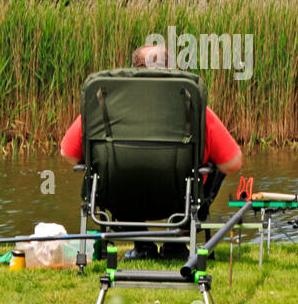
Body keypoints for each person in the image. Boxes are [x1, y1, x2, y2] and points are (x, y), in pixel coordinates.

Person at [59, 43, 243, 258]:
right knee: (215, 167)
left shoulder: (103, 106)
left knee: (102, 168)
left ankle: (142, 246)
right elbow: (233, 163)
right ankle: (177, 240)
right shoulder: (194, 108)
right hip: (179, 198)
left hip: (119, 197)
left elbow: (68, 154)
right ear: (173, 71)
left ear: (134, 70)